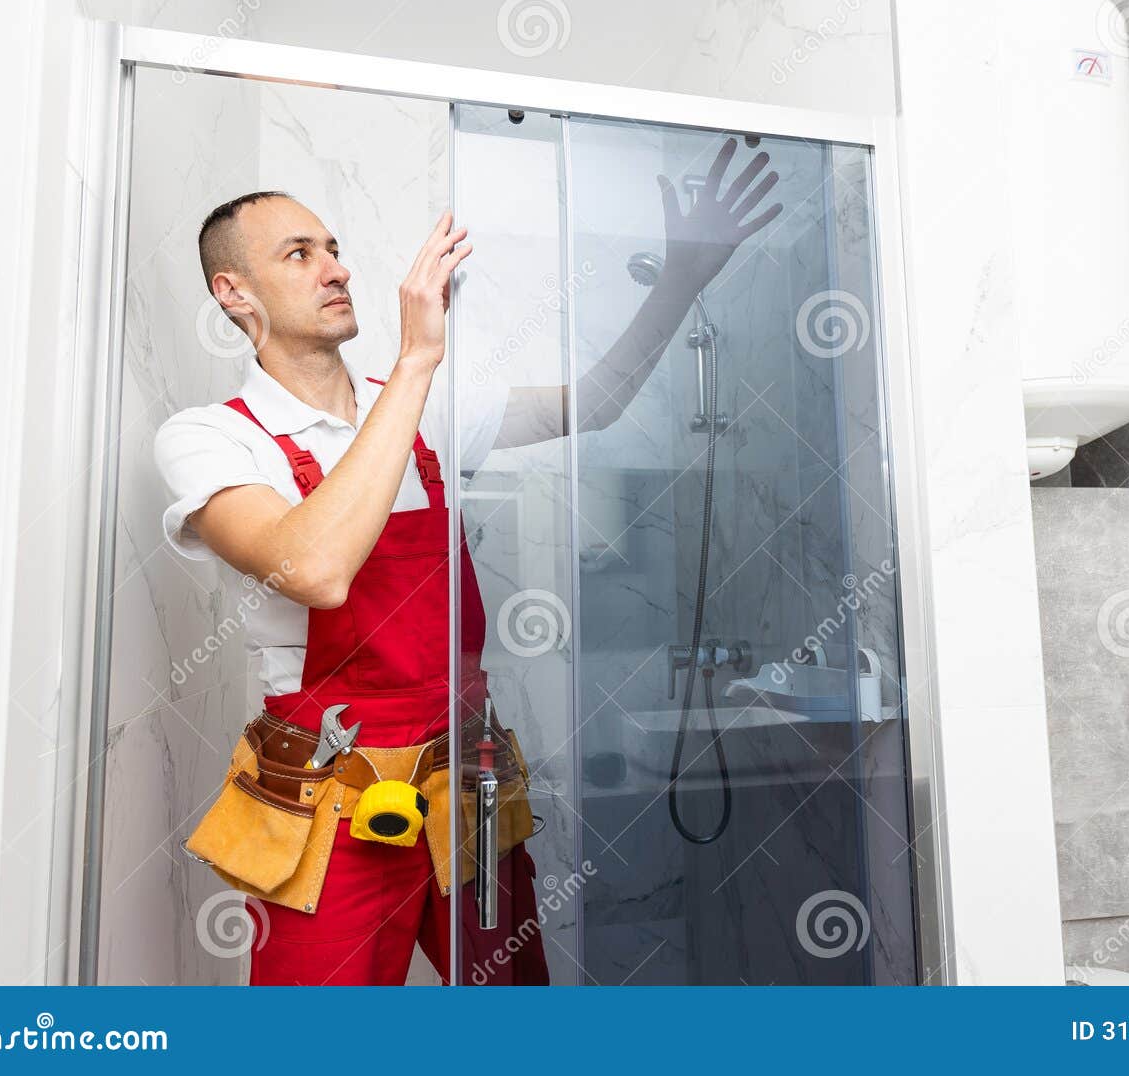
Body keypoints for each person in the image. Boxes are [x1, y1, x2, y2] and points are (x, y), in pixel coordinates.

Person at [154, 137, 781, 985]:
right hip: (326, 802)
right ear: (234, 294)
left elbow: (596, 402)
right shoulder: (214, 438)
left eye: (334, 248)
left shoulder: (421, 411)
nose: (334, 269)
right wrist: (416, 361)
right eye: (299, 254)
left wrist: (681, 281)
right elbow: (312, 569)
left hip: (465, 786)